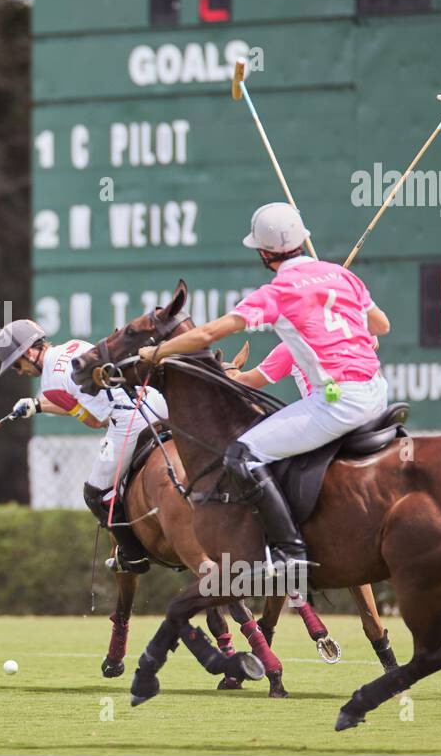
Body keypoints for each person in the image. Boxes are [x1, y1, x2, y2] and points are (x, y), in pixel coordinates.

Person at [139, 202, 390, 569]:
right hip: (377, 392)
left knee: (241, 453)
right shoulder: (342, 276)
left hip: (339, 402)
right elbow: (380, 326)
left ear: (263, 251)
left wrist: (157, 351)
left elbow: (208, 332)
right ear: (303, 239)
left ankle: (288, 553)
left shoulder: (277, 292)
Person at [0, 318, 168, 573]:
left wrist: (44, 402)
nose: (20, 371)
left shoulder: (49, 385)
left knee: (96, 493)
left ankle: (133, 556)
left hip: (129, 422)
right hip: (156, 402)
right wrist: (38, 405)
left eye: (17, 365)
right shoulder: (74, 346)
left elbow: (95, 421)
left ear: (29, 352)